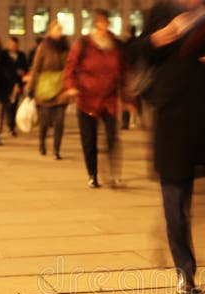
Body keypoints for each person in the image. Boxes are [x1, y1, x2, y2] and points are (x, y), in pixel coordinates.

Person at [130, 0, 205, 294]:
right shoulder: (162, 12)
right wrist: (157, 37)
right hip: (171, 115)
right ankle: (185, 273)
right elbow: (136, 51)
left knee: (193, 198)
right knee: (176, 197)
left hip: (203, 118)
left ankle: (169, 236)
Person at [63, 9, 129, 188]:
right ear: (95, 25)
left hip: (109, 100)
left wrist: (128, 99)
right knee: (89, 140)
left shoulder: (117, 45)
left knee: (112, 138)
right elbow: (70, 67)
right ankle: (92, 174)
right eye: (100, 24)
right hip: (86, 99)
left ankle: (114, 174)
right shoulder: (83, 44)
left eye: (106, 23)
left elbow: (124, 73)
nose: (103, 27)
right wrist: (71, 87)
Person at [26, 21, 70, 159]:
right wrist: (31, 88)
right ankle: (42, 143)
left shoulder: (65, 47)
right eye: (57, 29)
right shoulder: (44, 47)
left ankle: (56, 150)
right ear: (50, 31)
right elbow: (36, 68)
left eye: (60, 29)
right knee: (44, 122)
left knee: (60, 122)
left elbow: (70, 67)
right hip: (45, 88)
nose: (59, 32)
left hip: (61, 88)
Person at [5, 36, 28, 137]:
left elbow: (25, 69)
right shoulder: (4, 56)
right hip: (7, 85)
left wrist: (22, 75)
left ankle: (11, 126)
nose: (14, 47)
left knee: (14, 106)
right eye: (12, 45)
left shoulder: (21, 55)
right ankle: (10, 126)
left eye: (16, 45)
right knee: (9, 106)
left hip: (18, 85)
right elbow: (5, 71)